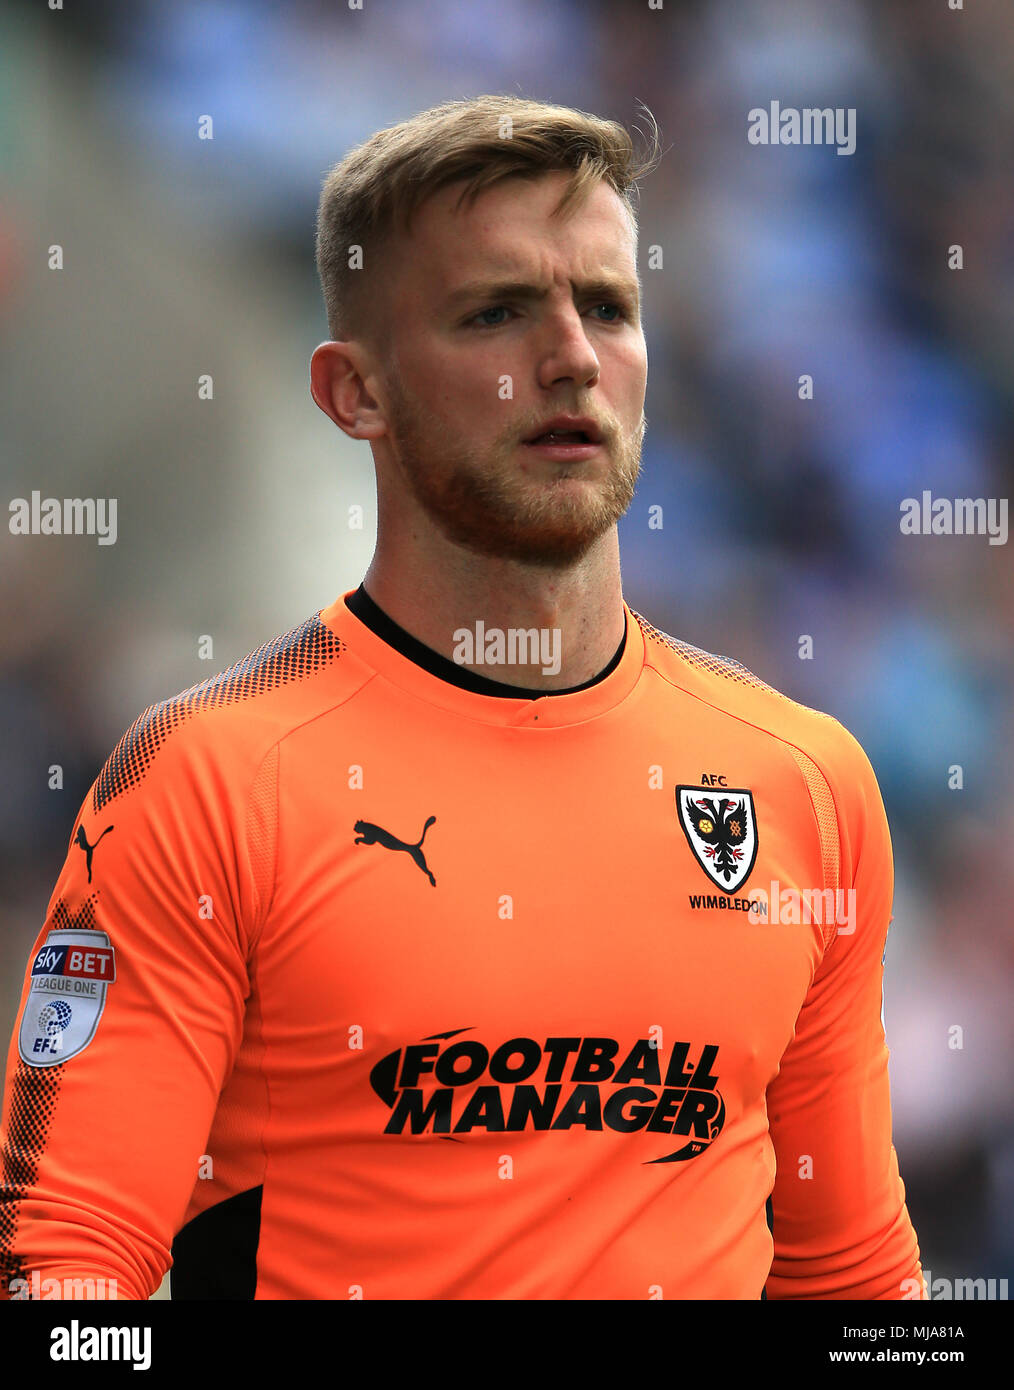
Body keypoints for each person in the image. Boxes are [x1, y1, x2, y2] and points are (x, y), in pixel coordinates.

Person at [0, 94, 924, 1300]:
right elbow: (64, 1271)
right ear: (355, 393)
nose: (573, 357)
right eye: (497, 312)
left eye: (608, 307)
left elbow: (856, 1283)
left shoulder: (804, 783)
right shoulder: (208, 780)